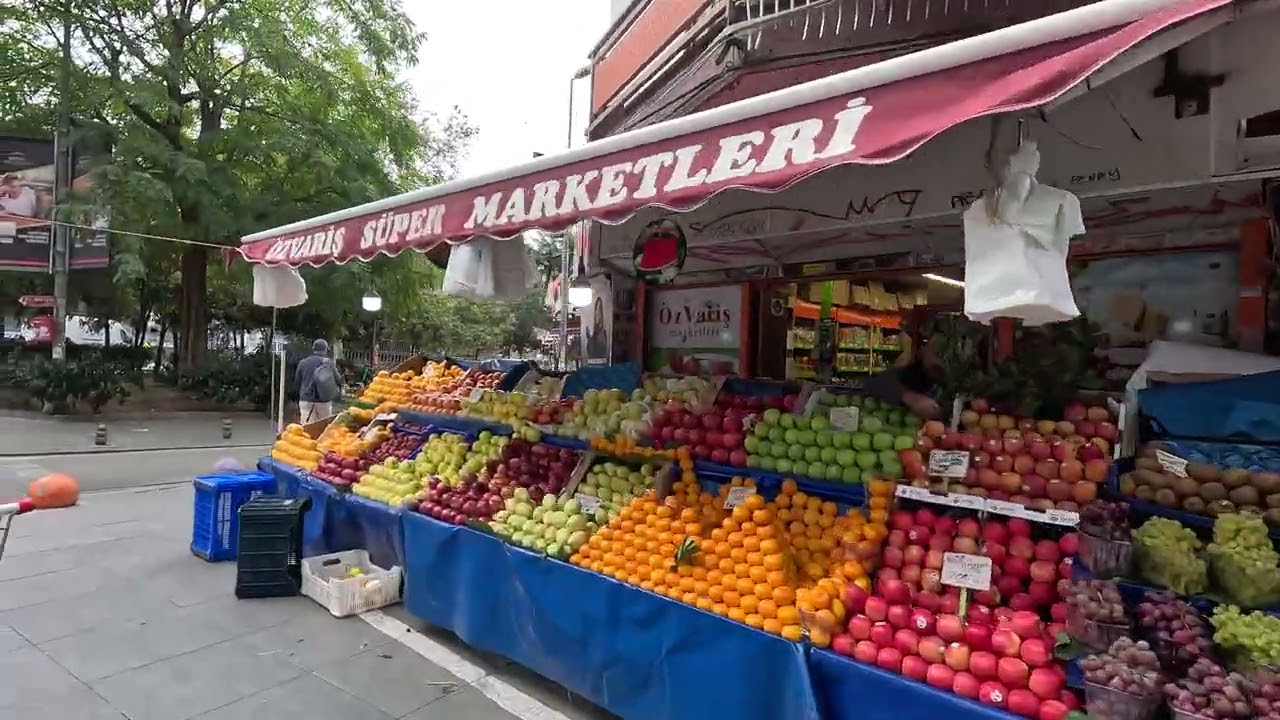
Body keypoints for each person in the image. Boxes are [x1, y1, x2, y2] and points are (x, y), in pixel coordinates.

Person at [863, 335, 943, 420]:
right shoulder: (910, 372)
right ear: (923, 351)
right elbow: (873, 383)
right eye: (938, 354)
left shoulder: (950, 381)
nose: (941, 362)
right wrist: (910, 398)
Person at [295, 339, 342, 422]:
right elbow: (338, 379)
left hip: (306, 400)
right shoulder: (328, 363)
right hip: (323, 401)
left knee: (307, 428)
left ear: (313, 349)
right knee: (323, 428)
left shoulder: (303, 362)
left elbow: (297, 382)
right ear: (325, 350)